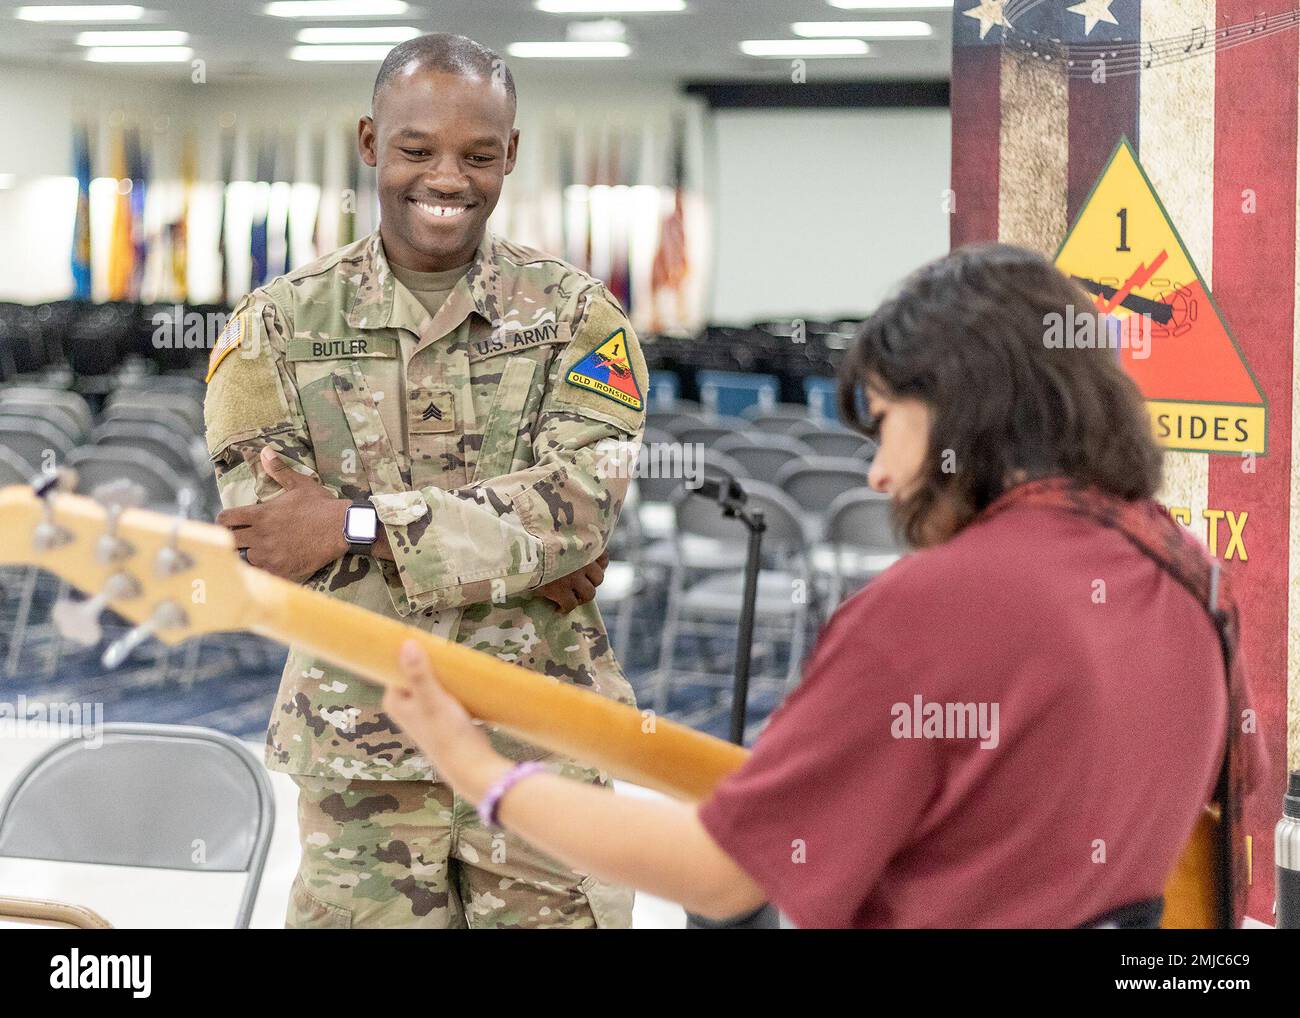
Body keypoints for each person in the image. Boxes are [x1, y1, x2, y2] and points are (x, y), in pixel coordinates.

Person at [381, 243, 1264, 928]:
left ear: (962, 406)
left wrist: (477, 770)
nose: (876, 473)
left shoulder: (939, 605)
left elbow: (717, 873)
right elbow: (1232, 798)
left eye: (884, 425)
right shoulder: (1192, 572)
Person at [203, 34, 646, 928]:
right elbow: (277, 542)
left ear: (510, 155)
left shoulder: (579, 316)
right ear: (370, 143)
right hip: (361, 754)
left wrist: (358, 521)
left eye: (478, 155)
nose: (448, 178)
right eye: (417, 150)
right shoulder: (275, 327)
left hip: (542, 746)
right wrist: (516, 551)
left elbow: (582, 509)